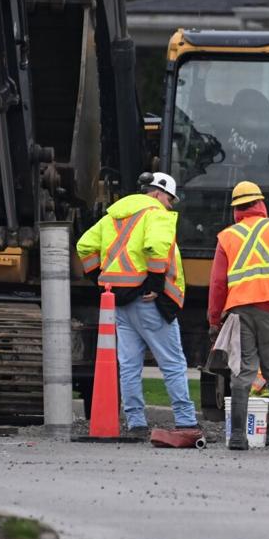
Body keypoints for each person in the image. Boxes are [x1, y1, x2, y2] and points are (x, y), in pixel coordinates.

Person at [76, 172, 199, 441]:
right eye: (169, 198)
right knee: (173, 363)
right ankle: (186, 420)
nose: (170, 205)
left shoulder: (113, 216)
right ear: (157, 193)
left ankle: (136, 423)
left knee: (129, 366)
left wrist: (100, 280)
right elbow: (155, 246)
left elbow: (84, 245)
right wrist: (154, 285)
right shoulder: (156, 213)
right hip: (148, 302)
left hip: (118, 303)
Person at [208, 181, 269, 450]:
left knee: (243, 371)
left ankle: (238, 436)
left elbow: (217, 283)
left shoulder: (226, 237)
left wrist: (214, 318)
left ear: (236, 209)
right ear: (261, 204)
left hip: (240, 310)